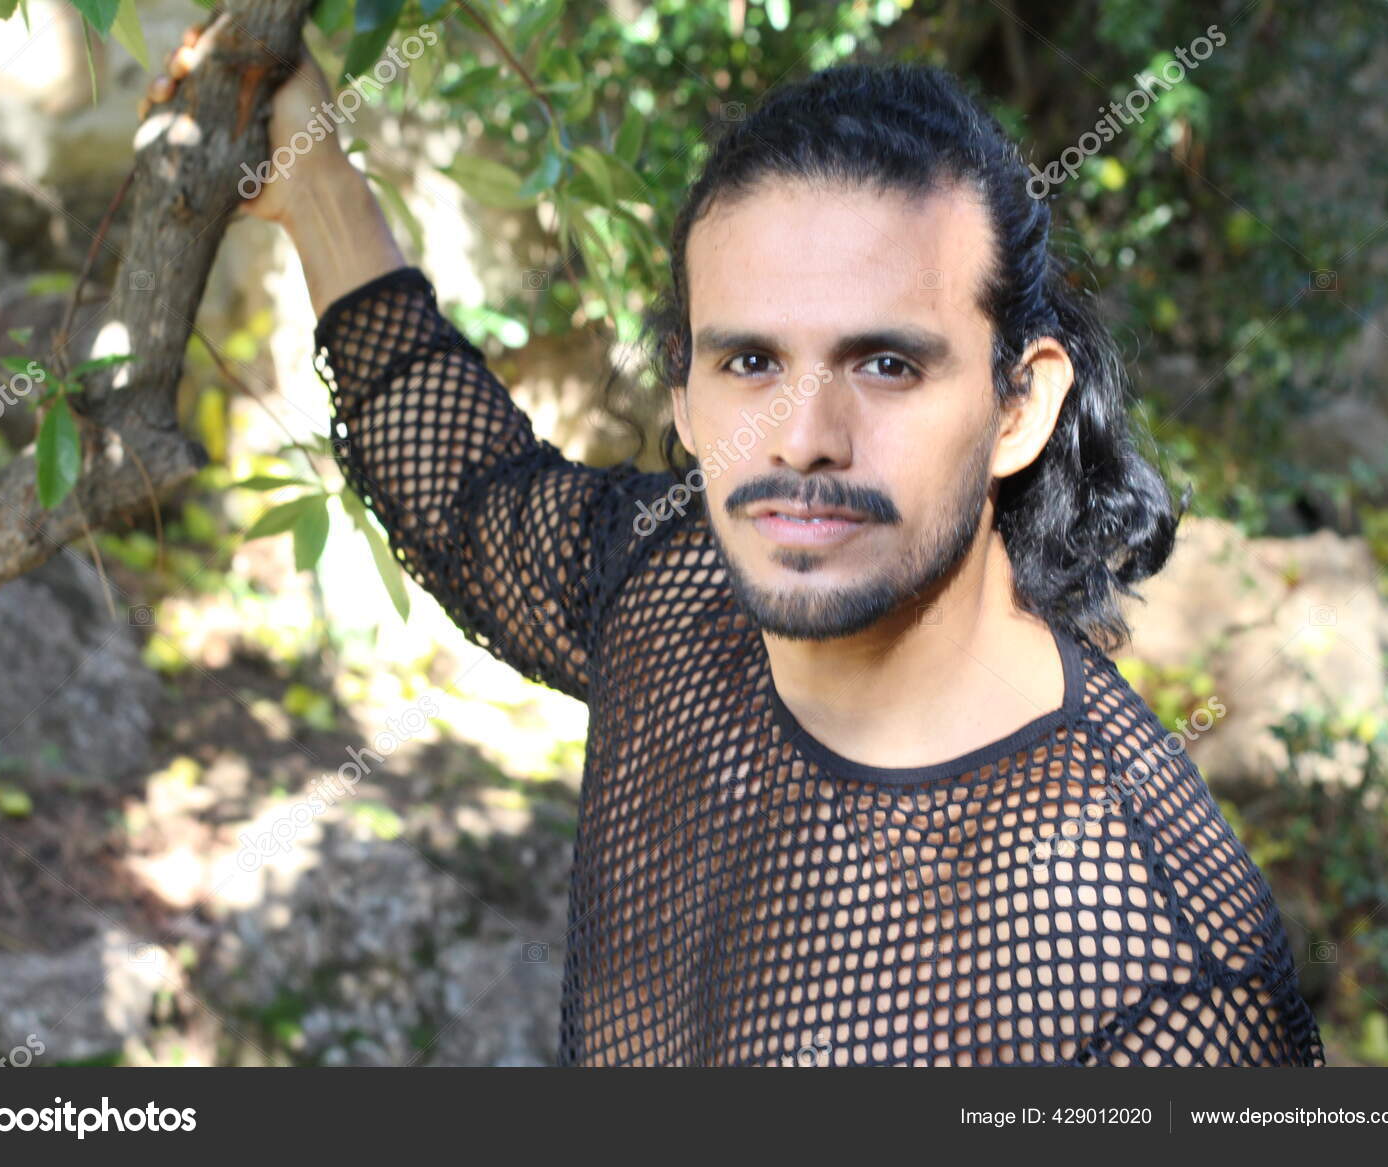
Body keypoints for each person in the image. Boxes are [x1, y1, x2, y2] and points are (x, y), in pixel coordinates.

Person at [152, 34, 1325, 1067]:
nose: (804, 441)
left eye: (886, 365)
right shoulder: (677, 595)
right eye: (751, 363)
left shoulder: (1156, 971)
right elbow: (473, 502)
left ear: (1019, 407)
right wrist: (311, 179)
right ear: (684, 397)